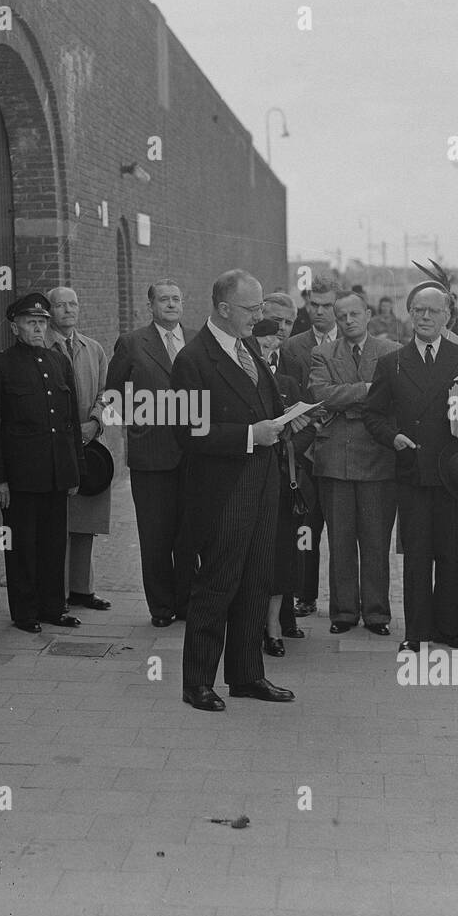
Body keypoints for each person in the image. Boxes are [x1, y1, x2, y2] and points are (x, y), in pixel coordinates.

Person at [174, 269, 295, 711]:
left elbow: (266, 407)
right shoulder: (193, 359)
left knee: (256, 580)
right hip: (223, 492)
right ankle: (198, 683)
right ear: (223, 309)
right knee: (218, 582)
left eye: (262, 307)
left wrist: (287, 419)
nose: (261, 317)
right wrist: (250, 434)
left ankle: (247, 675)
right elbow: (188, 431)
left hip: (262, 484)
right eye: (251, 309)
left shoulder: (248, 351)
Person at [363, 278, 458, 653]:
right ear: (409, 315)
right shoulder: (392, 363)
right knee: (417, 556)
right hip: (412, 472)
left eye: (433, 311)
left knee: (451, 554)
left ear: (447, 316)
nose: (424, 317)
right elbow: (373, 415)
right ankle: (416, 633)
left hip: (454, 473)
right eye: (418, 310)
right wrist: (393, 438)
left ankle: (448, 629)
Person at [0, 292, 85, 634]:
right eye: (31, 322)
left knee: (53, 543)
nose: (38, 328)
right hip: (21, 476)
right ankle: (25, 612)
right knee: (22, 545)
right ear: (15, 327)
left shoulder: (59, 363)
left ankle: (52, 607)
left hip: (57, 471)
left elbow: (71, 421)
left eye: (43, 322)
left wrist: (75, 470)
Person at [309, 291, 399, 636]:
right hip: (335, 459)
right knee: (341, 540)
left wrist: (346, 399)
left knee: (376, 540)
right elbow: (321, 395)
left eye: (354, 314)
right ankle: (344, 612)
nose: (348, 321)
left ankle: (377, 614)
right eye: (341, 316)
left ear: (368, 313)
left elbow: (392, 399)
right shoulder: (322, 353)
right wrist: (367, 389)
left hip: (378, 456)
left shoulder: (390, 351)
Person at [105, 279, 190, 628]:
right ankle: (161, 607)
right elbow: (113, 396)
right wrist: (138, 424)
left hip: (193, 454)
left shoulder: (199, 338)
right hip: (151, 456)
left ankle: (187, 602)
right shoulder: (132, 343)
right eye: (163, 299)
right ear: (150, 306)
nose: (171, 304)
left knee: (190, 534)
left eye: (176, 298)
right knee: (155, 535)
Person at [46, 287, 113, 614]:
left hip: (89, 446)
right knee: (57, 523)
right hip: (53, 450)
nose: (68, 310)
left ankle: (83, 590)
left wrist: (96, 422)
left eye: (73, 304)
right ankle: (56, 593)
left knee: (86, 521)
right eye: (60, 305)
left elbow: (107, 394)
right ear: (50, 311)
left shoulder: (94, 349)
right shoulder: (42, 347)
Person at [255, 318, 315, 656]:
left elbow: (309, 426)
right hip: (251, 472)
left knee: (282, 550)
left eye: (272, 347)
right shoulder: (245, 380)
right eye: (261, 346)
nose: (268, 352)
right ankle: (252, 622)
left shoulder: (289, 382)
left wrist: (291, 437)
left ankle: (275, 625)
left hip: (282, 474)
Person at [282, 274, 339, 616]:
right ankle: (305, 594)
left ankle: (347, 600)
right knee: (306, 525)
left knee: (344, 529)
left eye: (327, 305)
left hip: (341, 445)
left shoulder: (350, 342)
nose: (320, 312)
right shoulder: (294, 347)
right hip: (304, 448)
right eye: (314, 305)